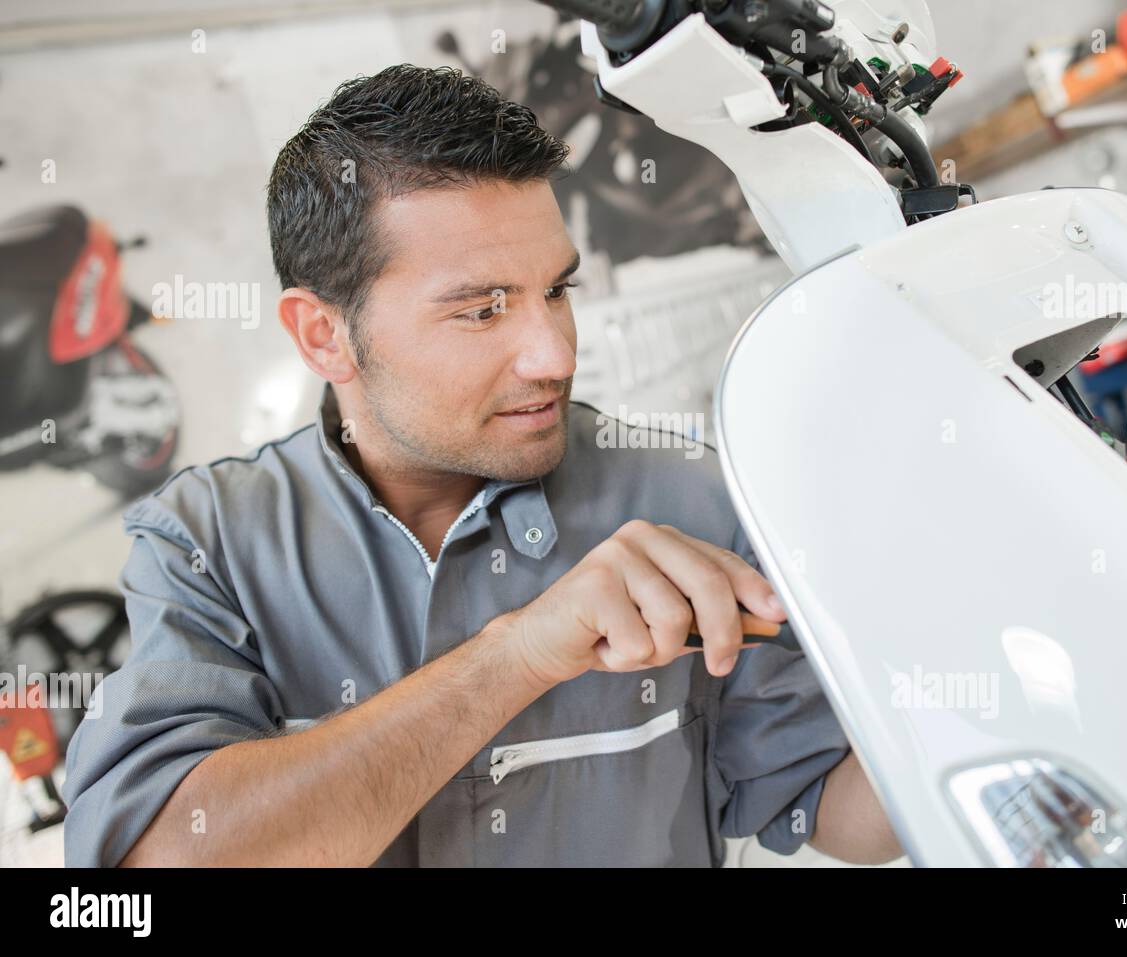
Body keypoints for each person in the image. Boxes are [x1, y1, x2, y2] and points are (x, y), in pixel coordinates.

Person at [62, 65, 901, 867]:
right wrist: (517, 656)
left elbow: (827, 798)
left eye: (558, 292)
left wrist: (953, 661)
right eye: (482, 308)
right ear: (324, 335)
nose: (553, 353)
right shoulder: (211, 544)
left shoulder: (689, 494)